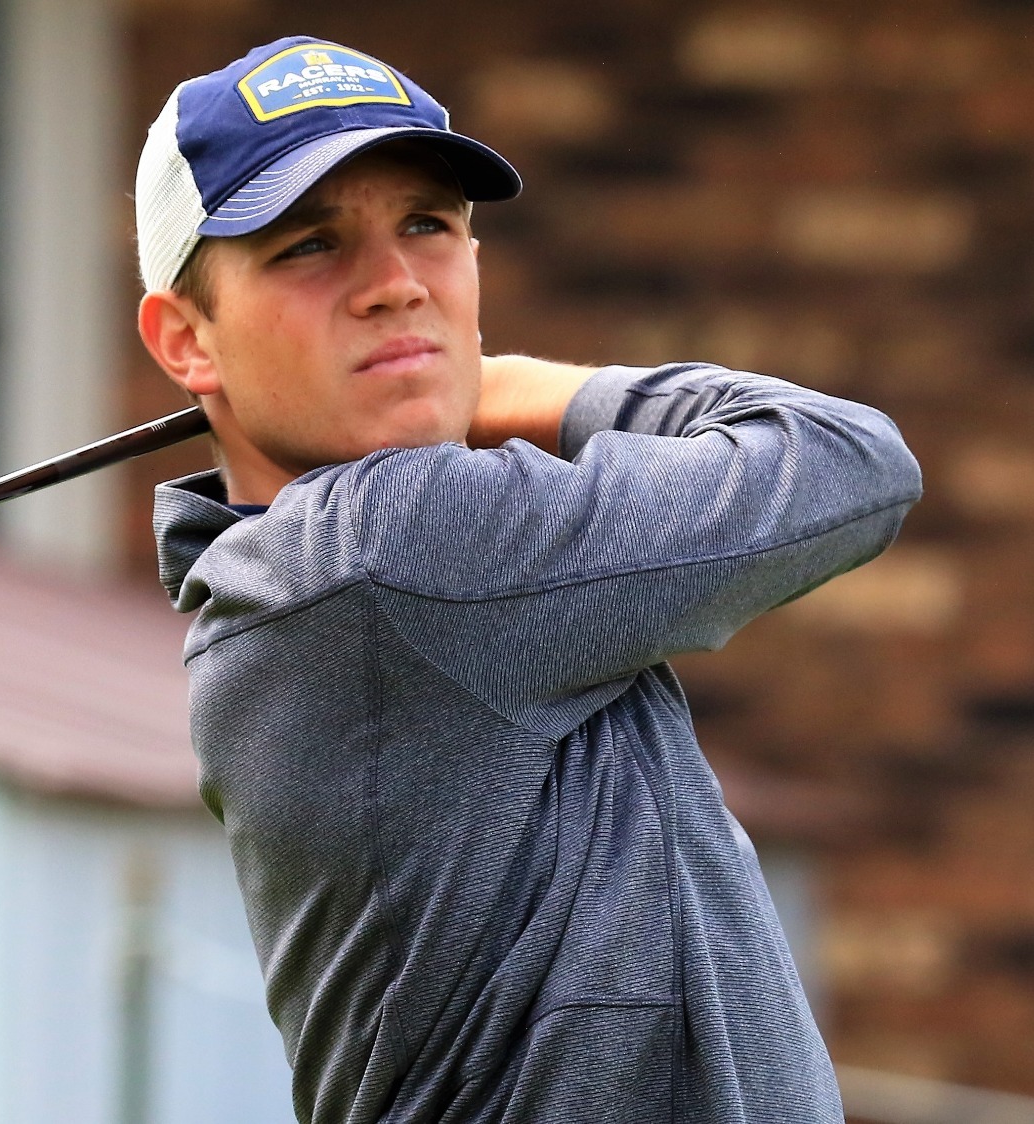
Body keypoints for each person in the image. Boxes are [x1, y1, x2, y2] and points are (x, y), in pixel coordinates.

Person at [135, 35, 922, 1124]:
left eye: (426, 225)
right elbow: (848, 464)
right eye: (308, 246)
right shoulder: (385, 554)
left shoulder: (311, 570)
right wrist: (529, 387)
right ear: (187, 340)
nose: (395, 286)